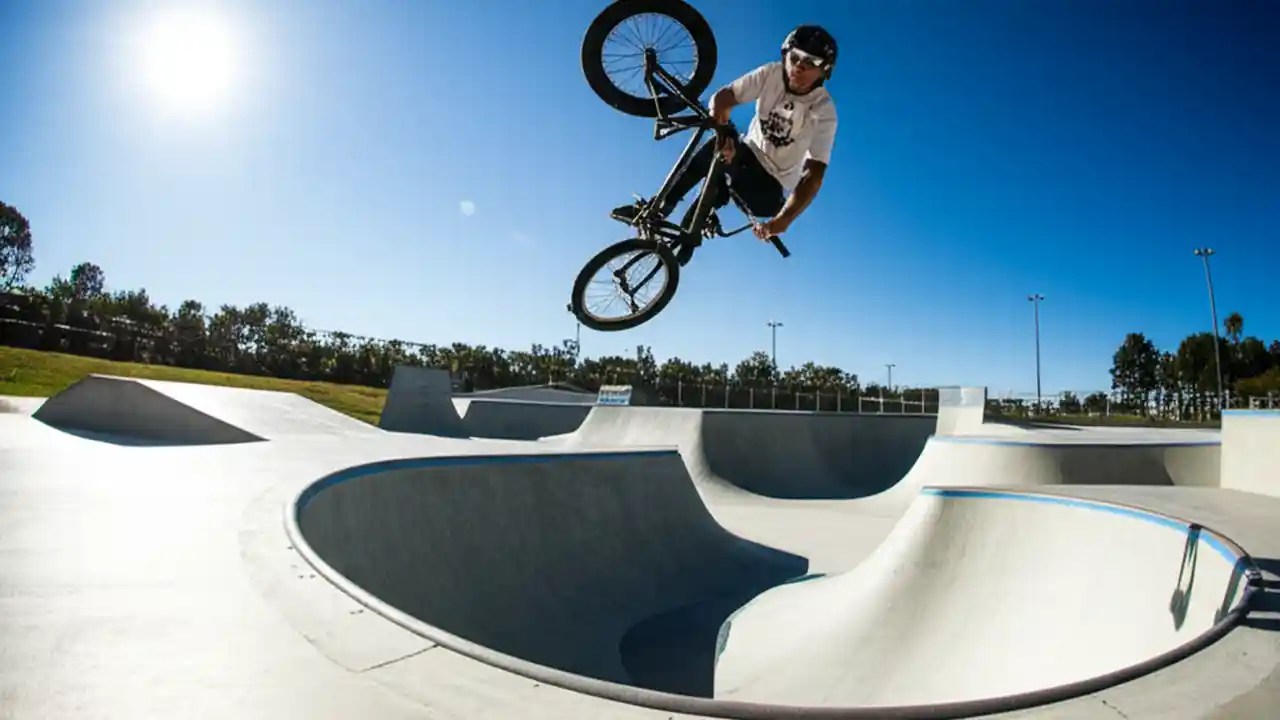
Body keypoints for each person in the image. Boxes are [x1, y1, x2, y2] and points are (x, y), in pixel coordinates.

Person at [611, 25, 839, 265]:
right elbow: (723, 98)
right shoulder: (771, 74)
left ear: (825, 70)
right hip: (746, 157)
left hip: (770, 191)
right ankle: (678, 229)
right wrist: (724, 134)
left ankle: (689, 230)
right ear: (785, 55)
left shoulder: (823, 111)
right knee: (718, 157)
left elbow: (813, 176)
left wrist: (784, 220)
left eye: (811, 62)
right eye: (795, 57)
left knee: (722, 159)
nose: (799, 66)